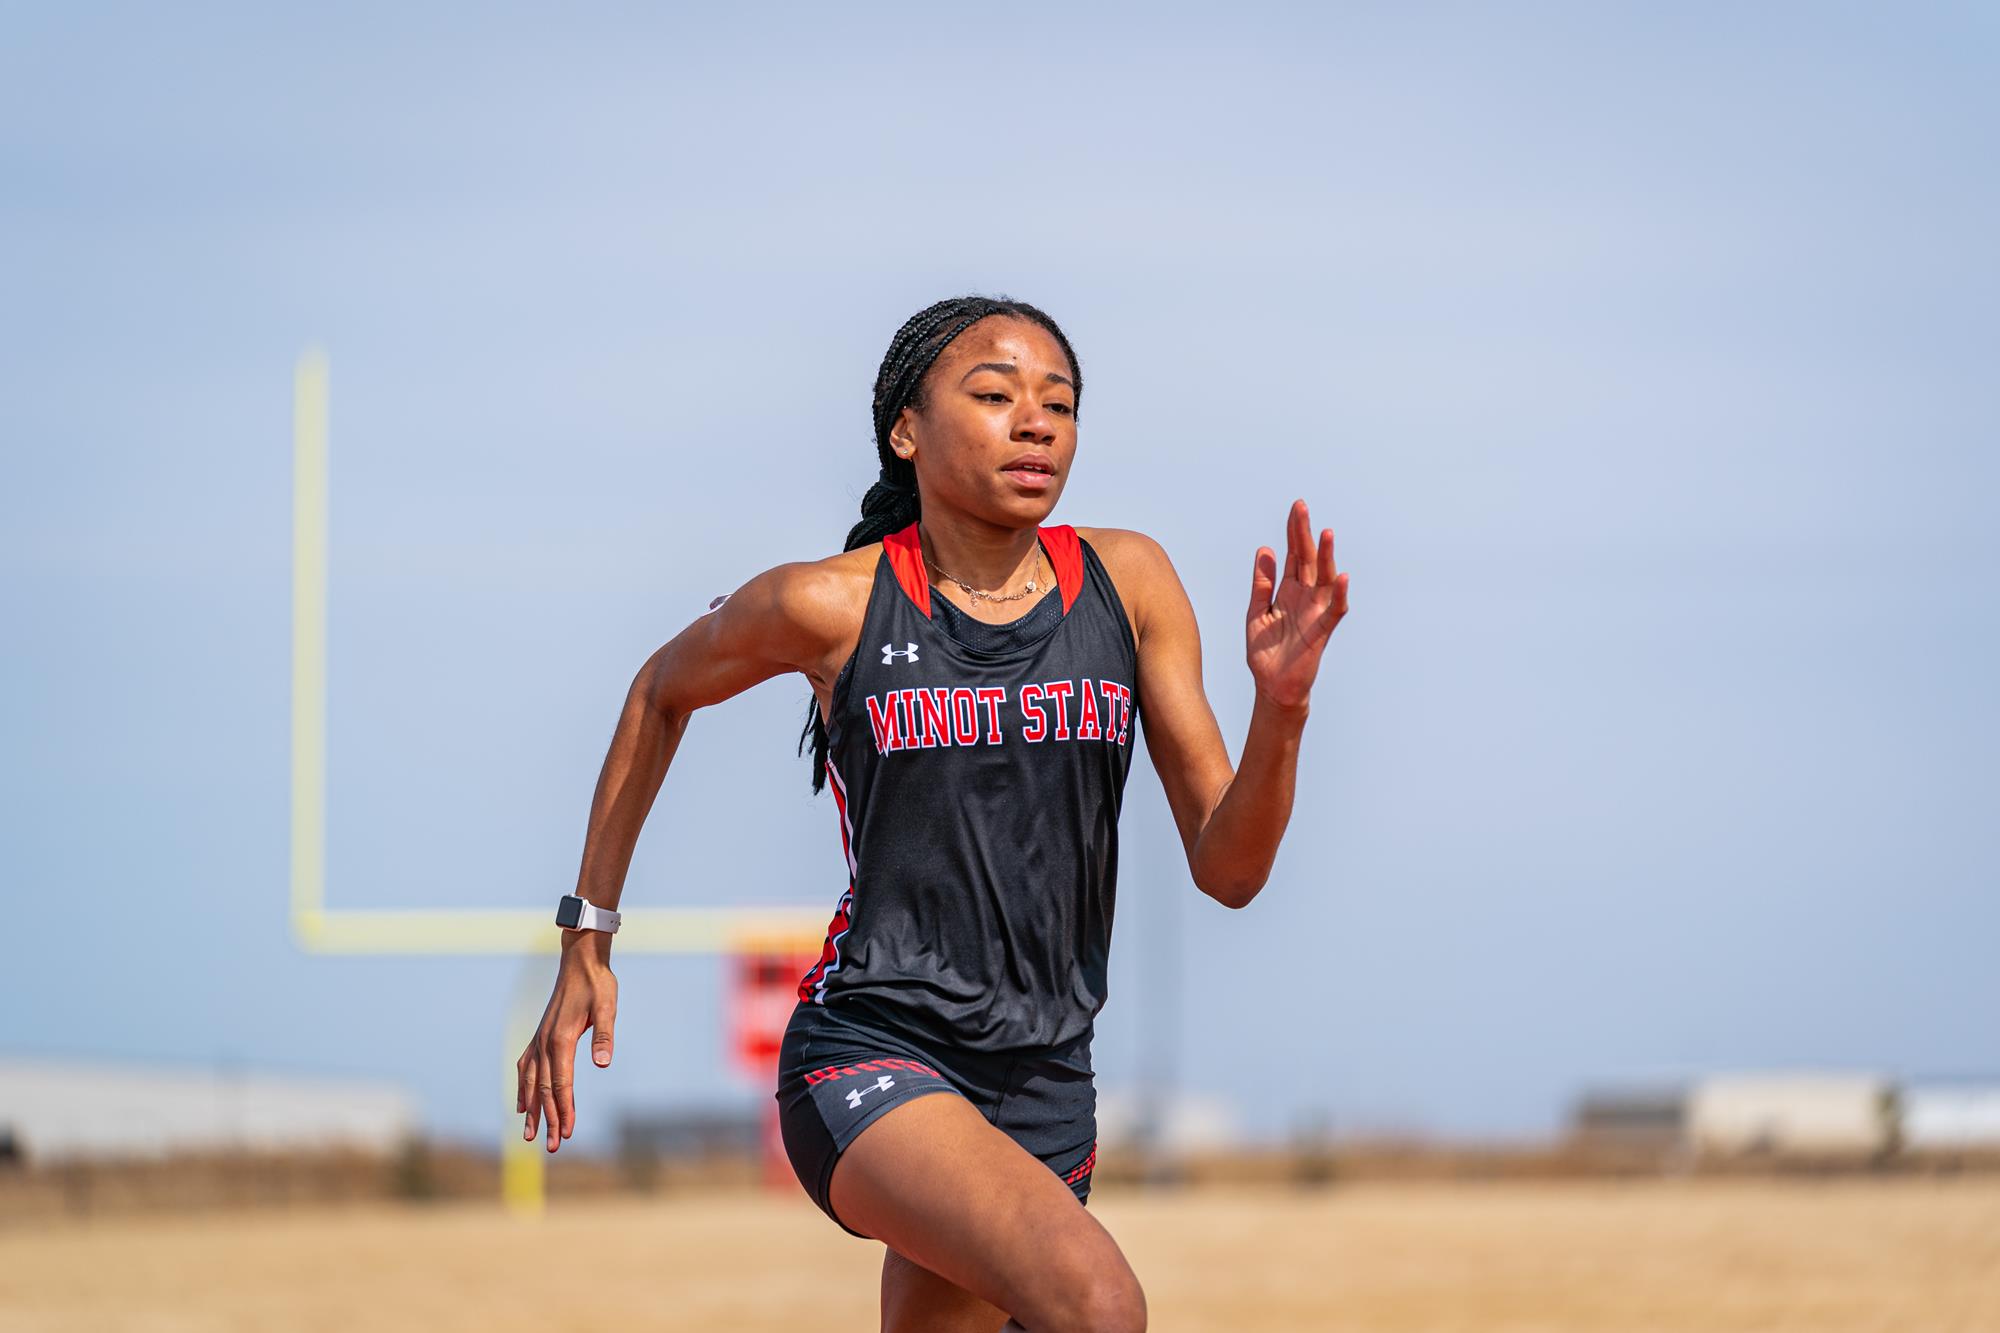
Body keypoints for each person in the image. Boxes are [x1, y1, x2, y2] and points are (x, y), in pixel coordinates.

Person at [515, 295, 1349, 1332]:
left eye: (1059, 403)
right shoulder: (830, 603)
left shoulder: (1128, 584)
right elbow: (659, 690)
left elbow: (1230, 870)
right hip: (873, 1048)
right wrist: (586, 936)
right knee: (1097, 1302)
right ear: (905, 428)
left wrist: (1283, 709)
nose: (1035, 422)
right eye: (994, 395)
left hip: (1047, 1079)